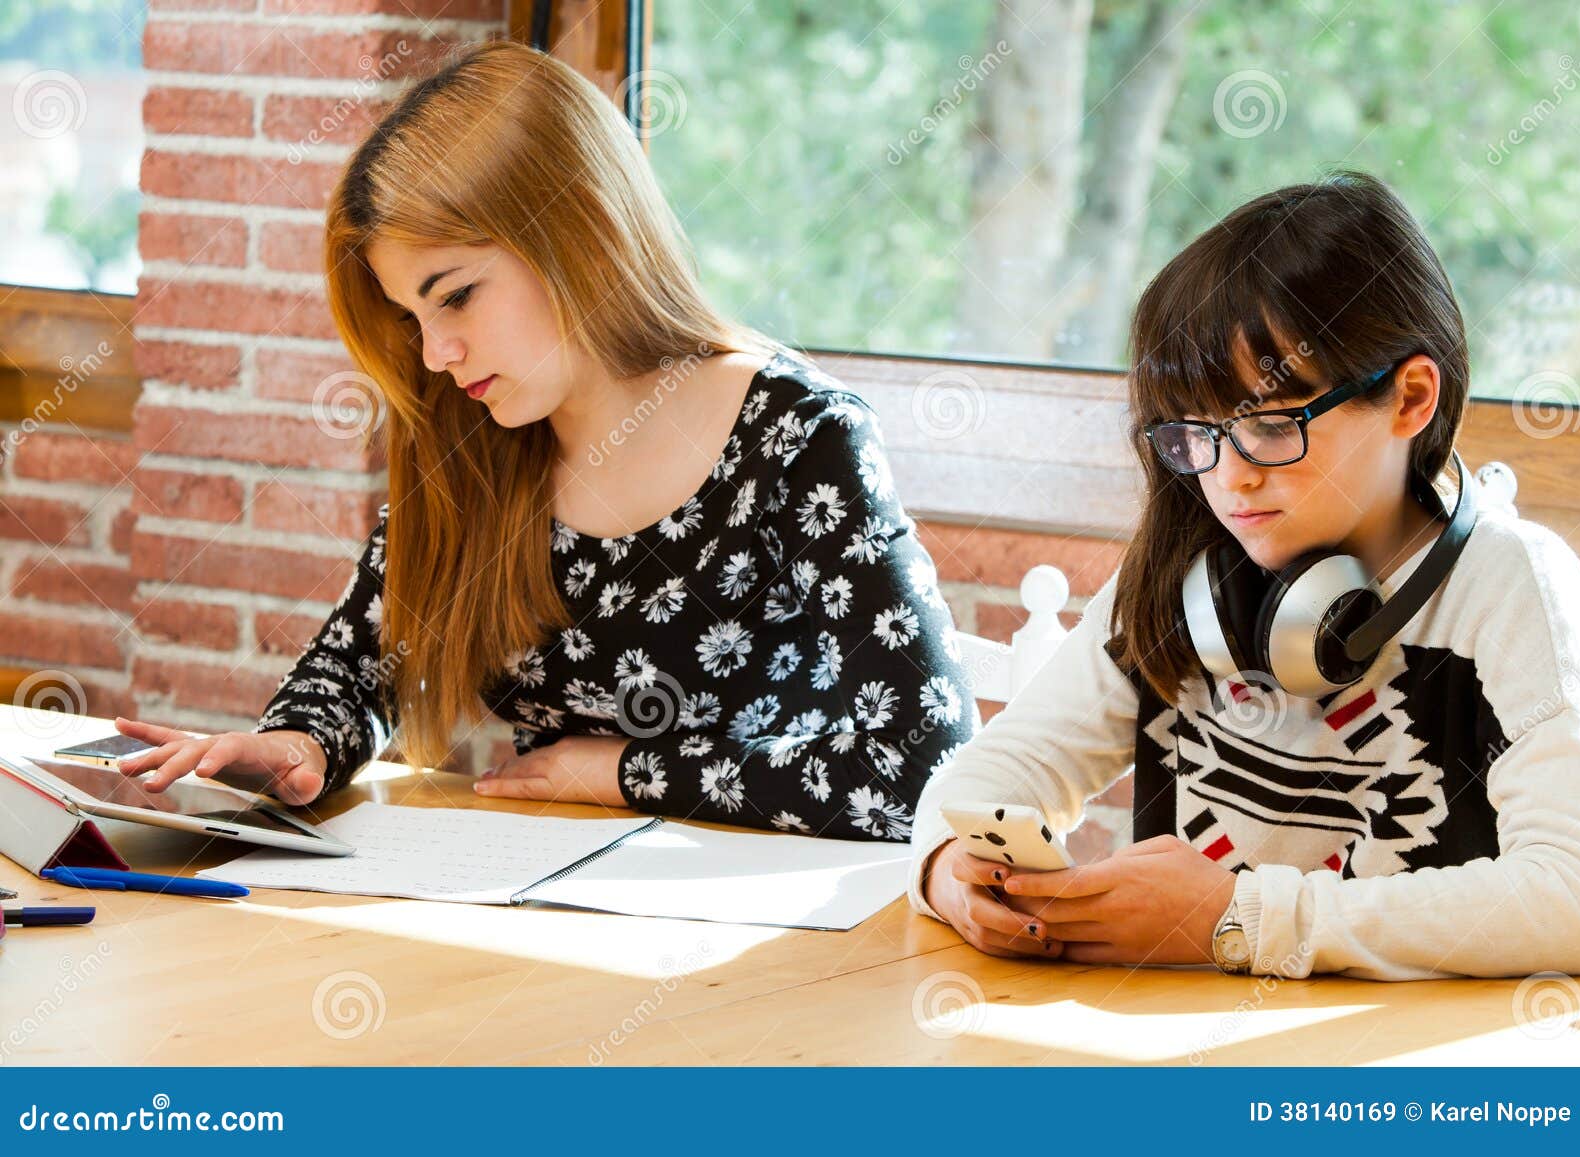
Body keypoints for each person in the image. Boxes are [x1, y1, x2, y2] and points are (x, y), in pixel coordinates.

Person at [114, 41, 974, 841]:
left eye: (455, 296)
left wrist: (623, 772)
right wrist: (299, 743)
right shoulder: (474, 428)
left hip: (773, 942)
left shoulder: (801, 436)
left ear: (576, 230)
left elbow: (925, 760)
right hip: (540, 901)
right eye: (411, 315)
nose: (435, 354)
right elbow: (363, 664)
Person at [911, 172, 1580, 979]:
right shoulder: (1185, 565)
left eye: (1272, 425)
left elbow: (1579, 895)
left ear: (1411, 397)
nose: (1228, 478)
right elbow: (991, 776)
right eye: (1193, 433)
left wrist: (1238, 918)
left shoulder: (1510, 582)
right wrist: (950, 870)